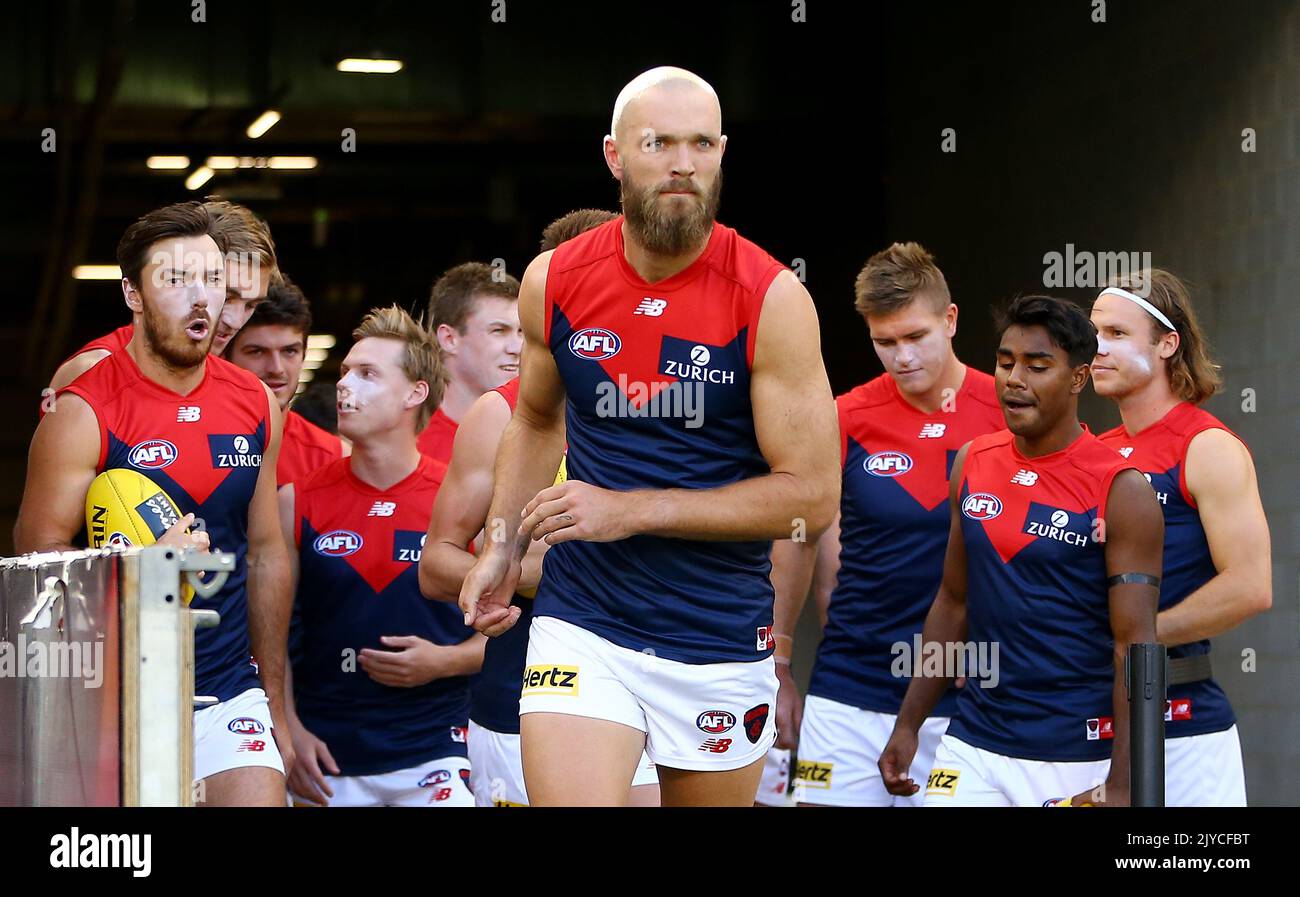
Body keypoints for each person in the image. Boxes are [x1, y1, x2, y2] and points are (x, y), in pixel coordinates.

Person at [457, 66, 840, 807]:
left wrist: (631, 508)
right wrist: (502, 545)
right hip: (585, 621)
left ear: (722, 152)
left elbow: (811, 498)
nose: (682, 163)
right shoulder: (555, 278)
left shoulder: (772, 298)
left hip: (717, 633)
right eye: (658, 142)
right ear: (614, 156)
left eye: (701, 143)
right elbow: (536, 419)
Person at [15, 200, 293, 806]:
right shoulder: (86, 397)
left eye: (218, 284)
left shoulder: (255, 403)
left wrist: (276, 700)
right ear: (134, 295)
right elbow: (33, 562)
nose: (211, 304)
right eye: (177, 280)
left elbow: (267, 554)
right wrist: (139, 569)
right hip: (112, 686)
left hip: (225, 685)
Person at [879, 294, 1164, 807]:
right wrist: (909, 724)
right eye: (1006, 362)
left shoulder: (1122, 489)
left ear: (1078, 379)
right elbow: (953, 600)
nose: (1015, 379)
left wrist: (1126, 782)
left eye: (1038, 366)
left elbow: (1136, 648)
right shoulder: (972, 461)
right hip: (974, 743)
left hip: (1073, 754)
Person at [421, 208, 661, 807]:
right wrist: (515, 570)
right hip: (527, 692)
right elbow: (436, 563)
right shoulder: (499, 413)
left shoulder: (678, 402)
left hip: (658, 681)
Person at [773, 242, 1005, 806]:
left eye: (915, 337)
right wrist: (779, 662)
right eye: (885, 342)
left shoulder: (1008, 409)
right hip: (853, 680)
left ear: (950, 321)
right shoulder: (844, 416)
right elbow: (797, 537)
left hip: (970, 689)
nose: (902, 357)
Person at [282, 306, 482, 807]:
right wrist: (286, 731)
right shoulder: (293, 500)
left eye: (367, 374)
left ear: (415, 393)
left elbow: (515, 628)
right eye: (345, 370)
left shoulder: (461, 498)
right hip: (323, 758)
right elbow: (268, 632)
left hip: (437, 749)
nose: (346, 385)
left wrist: (445, 661)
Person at [1091, 270, 1271, 806]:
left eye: (1117, 334)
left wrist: (1136, 641)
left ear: (1168, 344)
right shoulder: (1093, 452)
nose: (1096, 348)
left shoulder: (1208, 446)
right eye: (1092, 333)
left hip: (1185, 722)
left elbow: (1251, 586)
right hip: (1091, 720)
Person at [44, 198, 279, 400]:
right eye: (227, 296)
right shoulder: (93, 371)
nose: (236, 321)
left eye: (251, 305)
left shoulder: (248, 386)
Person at [225, 275, 348, 489]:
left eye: (290, 351)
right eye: (257, 351)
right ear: (226, 356)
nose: (276, 368)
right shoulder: (193, 438)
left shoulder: (333, 457)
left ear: (303, 355)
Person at [416, 263, 522, 465]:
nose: (517, 348)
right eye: (498, 330)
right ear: (449, 339)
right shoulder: (405, 437)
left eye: (521, 331)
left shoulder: (549, 432)